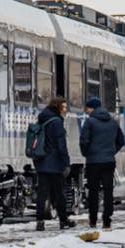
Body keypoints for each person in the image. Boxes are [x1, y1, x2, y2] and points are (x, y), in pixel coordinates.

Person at [79, 96, 125, 229]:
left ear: (92, 108)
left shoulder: (89, 122)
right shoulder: (113, 122)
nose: (87, 111)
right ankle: (107, 220)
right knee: (108, 191)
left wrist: (86, 153)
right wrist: (112, 151)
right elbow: (121, 141)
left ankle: (93, 219)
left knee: (93, 191)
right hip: (109, 161)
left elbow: (83, 141)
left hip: (93, 162)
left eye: (88, 108)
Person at [34, 96, 74, 231]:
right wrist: (66, 163)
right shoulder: (56, 122)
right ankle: (63, 221)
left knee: (42, 193)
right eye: (63, 107)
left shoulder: (42, 119)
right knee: (59, 193)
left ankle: (40, 221)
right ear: (57, 107)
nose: (65, 110)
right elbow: (61, 145)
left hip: (41, 161)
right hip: (55, 163)